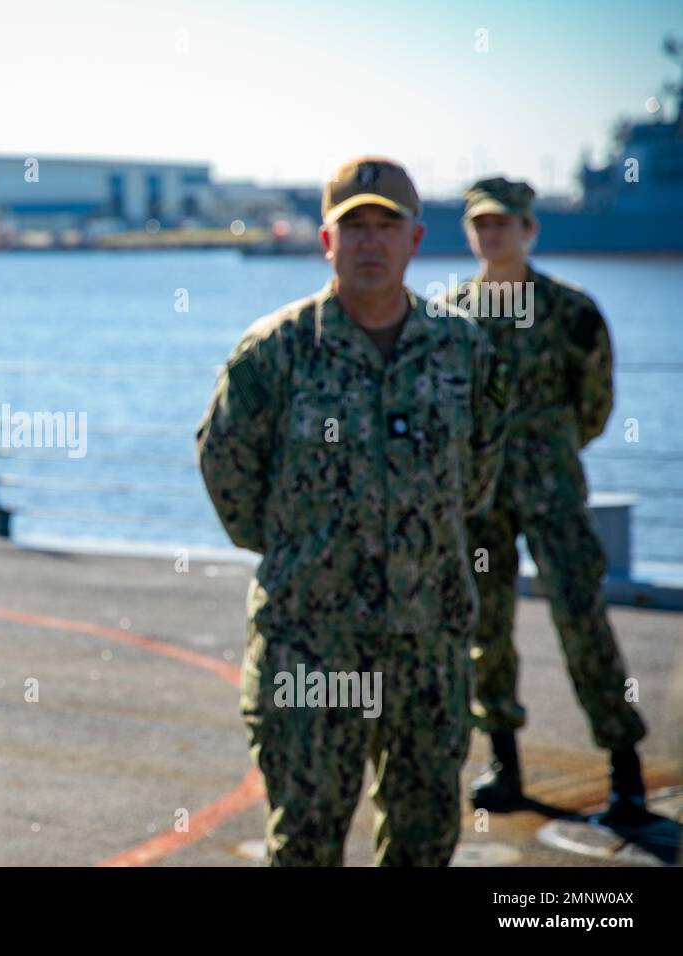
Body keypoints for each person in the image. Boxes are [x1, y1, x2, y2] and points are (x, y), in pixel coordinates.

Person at [196, 157, 511, 866]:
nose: (371, 242)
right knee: (306, 840)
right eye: (354, 227)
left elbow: (478, 474)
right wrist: (301, 552)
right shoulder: (275, 352)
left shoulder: (465, 349)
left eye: (386, 226)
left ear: (416, 240)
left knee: (426, 839)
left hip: (428, 645)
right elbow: (227, 471)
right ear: (326, 241)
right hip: (311, 644)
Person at [451, 177, 650, 826]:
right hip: (480, 501)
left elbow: (595, 406)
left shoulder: (572, 311)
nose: (493, 234)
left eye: (505, 223)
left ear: (529, 230)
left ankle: (624, 766)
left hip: (554, 495)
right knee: (486, 629)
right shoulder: (450, 318)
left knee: (583, 620)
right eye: (481, 223)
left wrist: (549, 449)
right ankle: (504, 762)